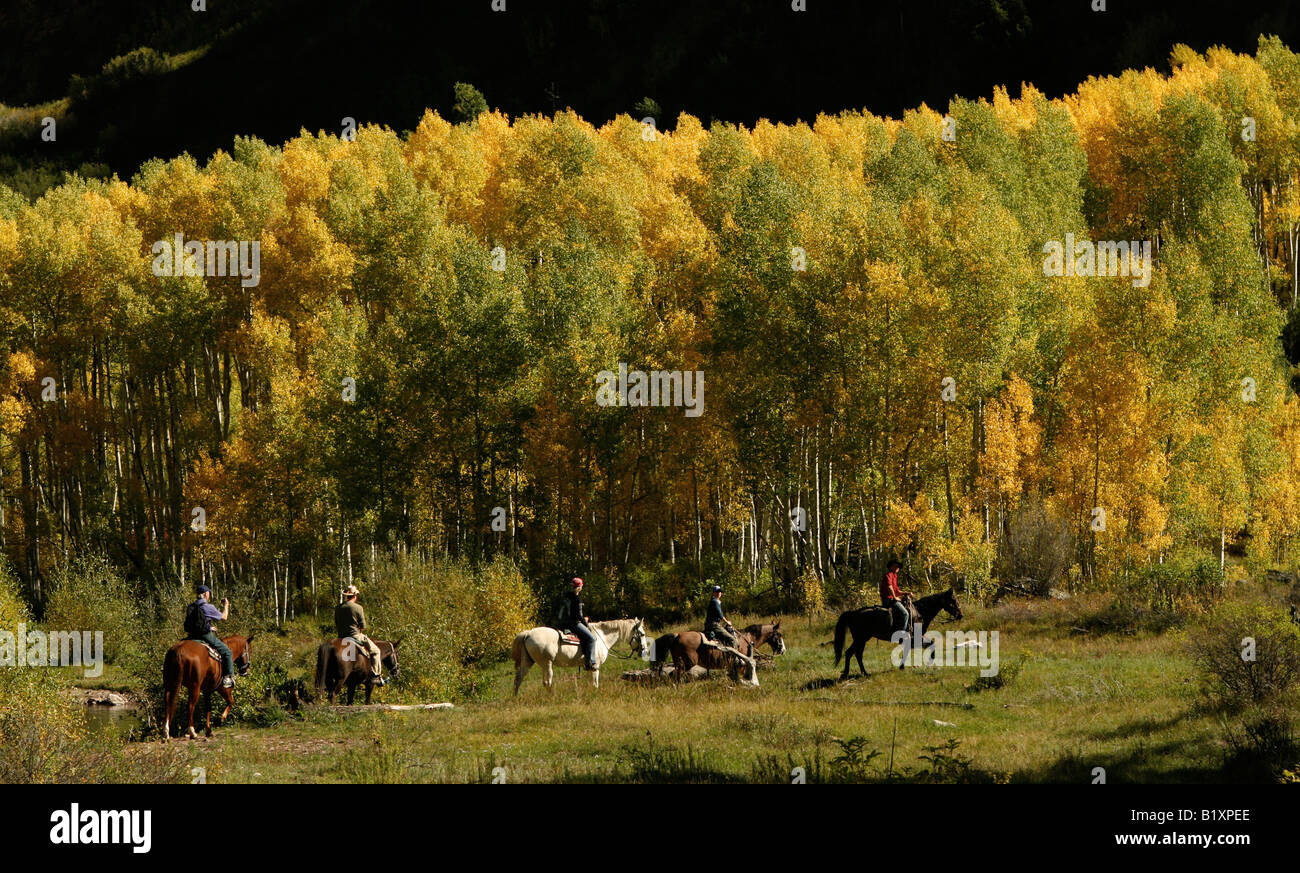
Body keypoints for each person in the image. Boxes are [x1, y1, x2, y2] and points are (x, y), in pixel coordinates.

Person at [185, 585, 235, 688]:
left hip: (191, 636)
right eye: (209, 593)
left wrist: (209, 627)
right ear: (206, 594)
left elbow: (196, 623)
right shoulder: (208, 607)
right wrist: (226, 606)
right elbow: (224, 617)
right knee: (227, 652)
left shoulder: (191, 606)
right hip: (204, 635)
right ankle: (228, 678)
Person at [335, 584, 385, 686]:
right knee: (376, 651)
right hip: (355, 636)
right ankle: (376, 675)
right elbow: (363, 627)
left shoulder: (338, 607)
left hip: (341, 637)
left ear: (346, 596)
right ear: (355, 596)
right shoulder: (358, 608)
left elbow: (336, 622)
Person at [556, 576, 598, 670]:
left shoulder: (566, 596)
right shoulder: (578, 599)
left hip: (563, 624)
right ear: (579, 587)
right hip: (574, 624)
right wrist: (586, 622)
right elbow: (579, 616)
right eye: (581, 586)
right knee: (592, 639)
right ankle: (590, 663)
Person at [880, 559, 913, 638]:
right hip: (888, 599)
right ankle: (901, 635)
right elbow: (890, 587)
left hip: (892, 598)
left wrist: (906, 593)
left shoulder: (894, 576)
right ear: (891, 567)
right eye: (896, 566)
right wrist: (895, 597)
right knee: (905, 613)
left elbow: (897, 590)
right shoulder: (889, 575)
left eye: (898, 567)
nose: (898, 568)